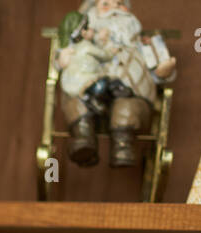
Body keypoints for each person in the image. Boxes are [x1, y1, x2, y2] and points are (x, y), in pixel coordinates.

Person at [54, 0, 176, 167]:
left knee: (126, 109)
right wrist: (61, 60)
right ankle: (83, 139)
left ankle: (122, 146)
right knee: (75, 101)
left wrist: (163, 71)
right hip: (90, 89)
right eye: (106, 4)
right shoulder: (83, 44)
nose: (115, 10)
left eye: (120, 4)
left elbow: (157, 68)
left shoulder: (141, 44)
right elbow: (62, 59)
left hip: (130, 91)